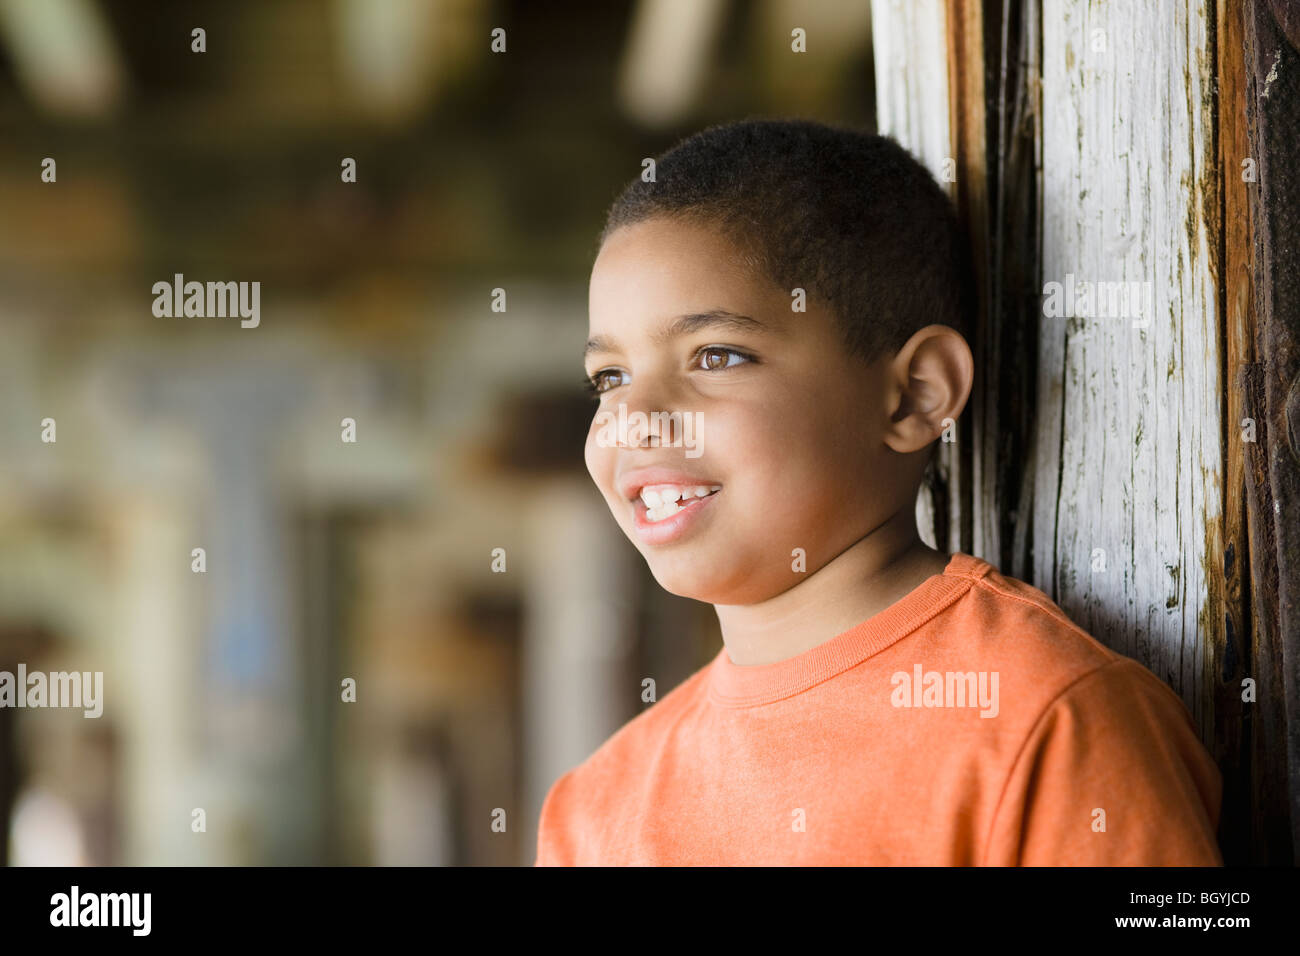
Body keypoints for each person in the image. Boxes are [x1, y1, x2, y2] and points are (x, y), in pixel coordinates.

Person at [535, 118, 1222, 865]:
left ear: (914, 397)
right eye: (610, 377)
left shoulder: (1046, 718)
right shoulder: (593, 812)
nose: (634, 421)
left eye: (717, 355)